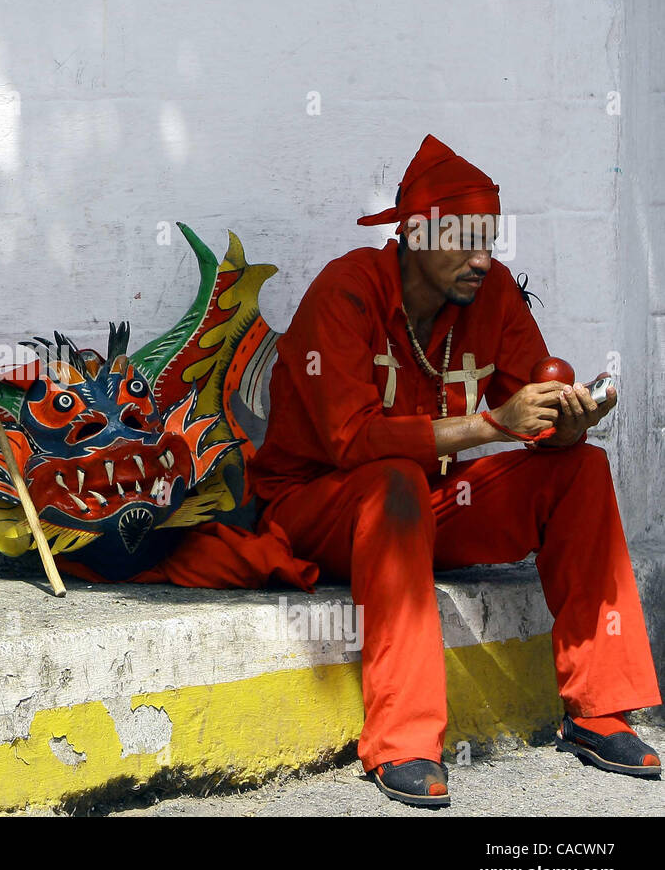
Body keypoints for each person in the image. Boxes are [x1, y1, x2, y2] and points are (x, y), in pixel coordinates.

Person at [246, 134, 661, 807]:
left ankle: (599, 710)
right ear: (413, 231)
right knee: (394, 477)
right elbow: (354, 442)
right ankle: (403, 741)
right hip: (316, 509)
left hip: (421, 509)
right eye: (465, 238)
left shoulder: (490, 293)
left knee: (582, 469)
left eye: (490, 237)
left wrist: (568, 424)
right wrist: (493, 423)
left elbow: (536, 409)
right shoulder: (346, 290)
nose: (481, 256)